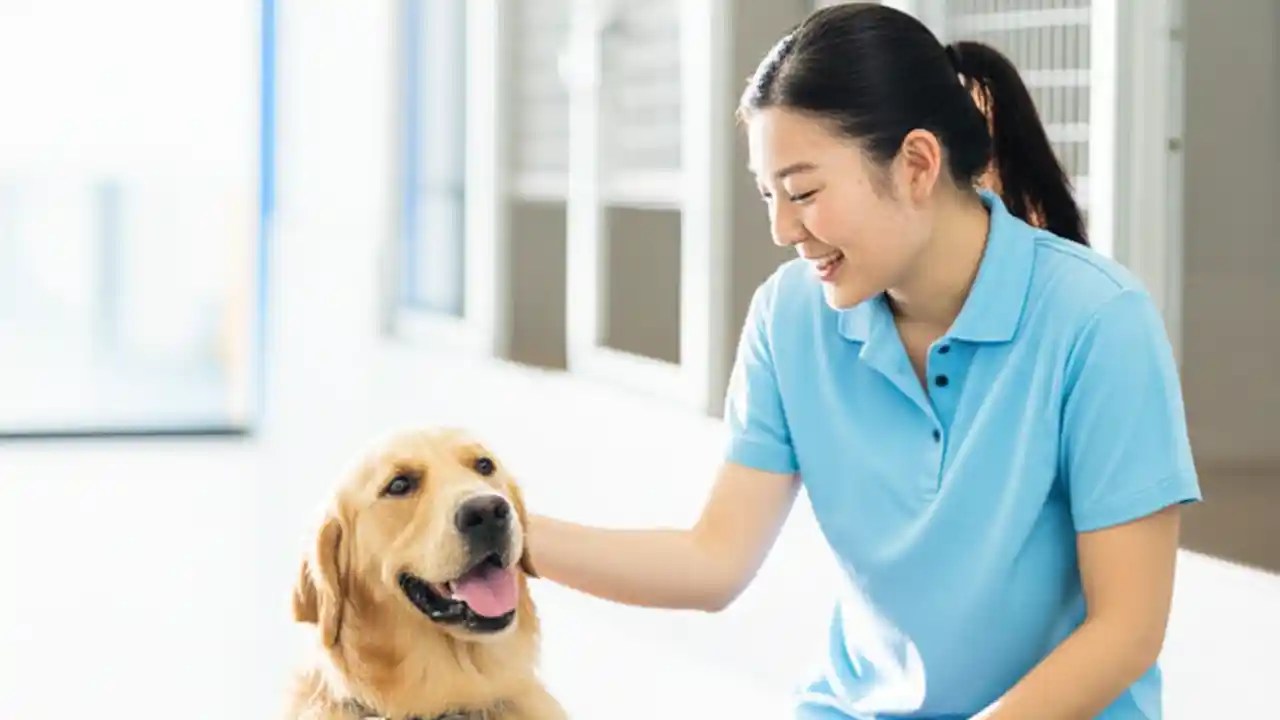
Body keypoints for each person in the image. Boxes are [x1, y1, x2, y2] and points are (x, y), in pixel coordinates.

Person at [528, 4, 1201, 718]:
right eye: (768, 195)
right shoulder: (789, 318)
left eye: (804, 192)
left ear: (916, 164)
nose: (784, 229)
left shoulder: (1098, 322)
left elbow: (1125, 632)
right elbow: (711, 562)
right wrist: (506, 538)